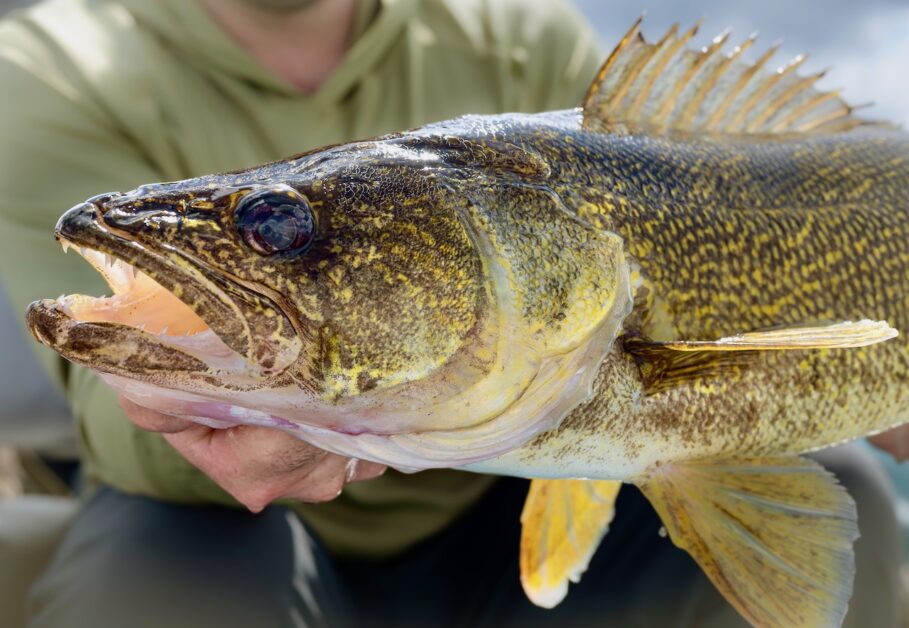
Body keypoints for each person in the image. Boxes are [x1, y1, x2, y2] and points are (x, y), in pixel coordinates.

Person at [0, 1, 903, 626]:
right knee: (145, 584)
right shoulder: (45, 72)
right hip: (235, 530)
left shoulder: (514, 29)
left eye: (278, 226)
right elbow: (105, 413)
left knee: (853, 482)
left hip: (491, 499)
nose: (271, 234)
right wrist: (209, 411)